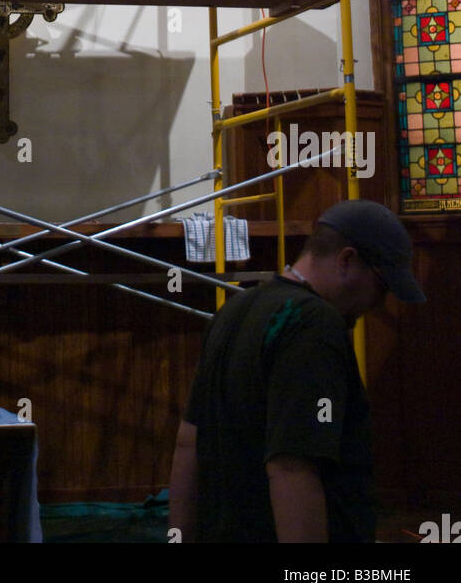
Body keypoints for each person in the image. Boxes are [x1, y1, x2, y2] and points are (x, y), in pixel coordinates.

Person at [167, 199, 426, 543]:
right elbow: (292, 467)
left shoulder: (236, 308)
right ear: (347, 260)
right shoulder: (314, 324)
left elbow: (189, 443)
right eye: (382, 287)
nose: (379, 303)